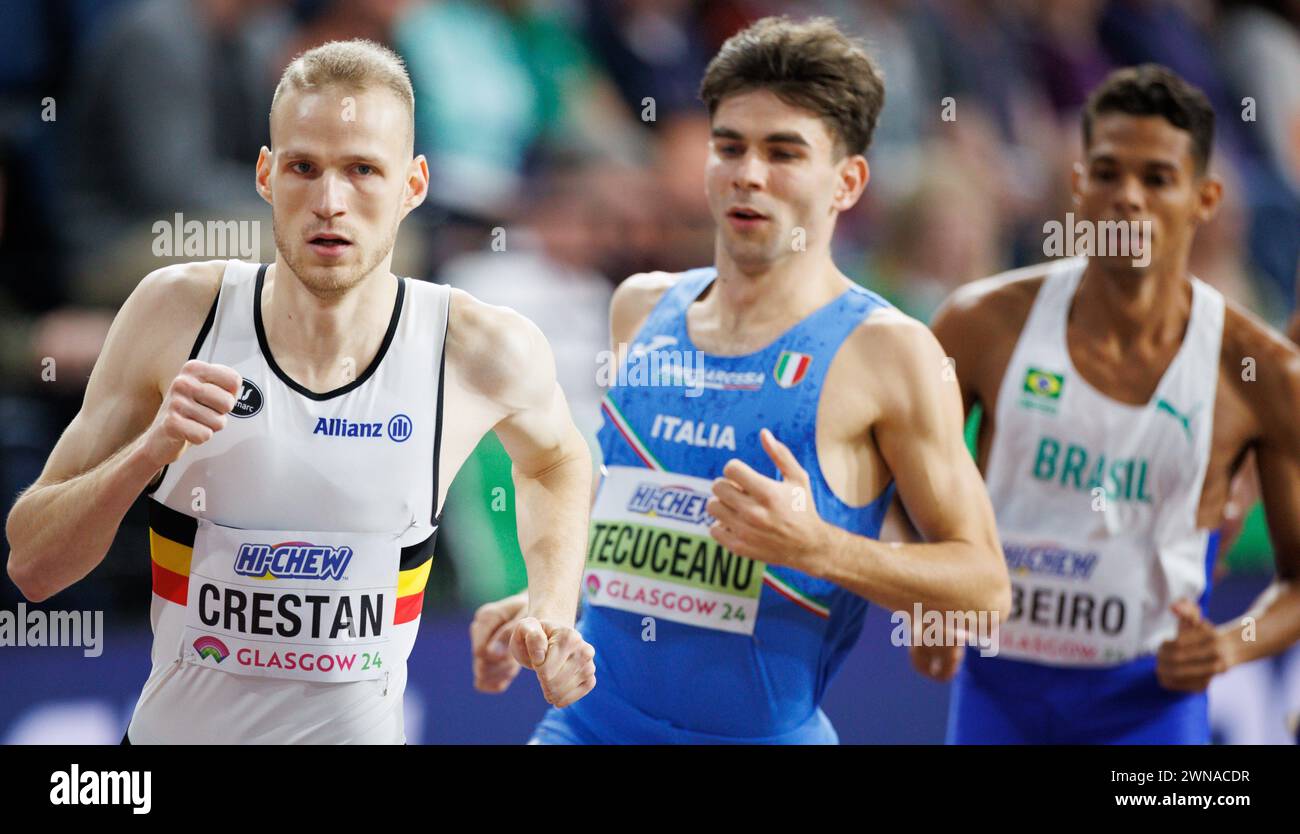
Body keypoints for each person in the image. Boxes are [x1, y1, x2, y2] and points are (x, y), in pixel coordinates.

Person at [4, 40, 596, 744]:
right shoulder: (177, 312)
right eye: (304, 167)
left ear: (414, 185)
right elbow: (33, 568)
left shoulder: (476, 347)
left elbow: (557, 460)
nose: (329, 202)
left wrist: (552, 607)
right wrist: (146, 453)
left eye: (362, 171)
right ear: (265, 174)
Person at [469, 16, 1010, 745]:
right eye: (730, 147)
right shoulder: (641, 305)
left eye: (783, 152)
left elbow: (984, 587)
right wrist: (552, 597)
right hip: (588, 727)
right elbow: (641, 507)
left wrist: (818, 548)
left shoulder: (888, 352)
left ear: (846, 182)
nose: (748, 174)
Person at [917, 64, 1300, 744]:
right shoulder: (980, 324)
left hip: (1149, 707)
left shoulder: (1257, 371)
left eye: (1156, 178)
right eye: (1106, 172)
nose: (1127, 197)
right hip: (997, 695)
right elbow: (892, 481)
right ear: (1077, 184)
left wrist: (1232, 643)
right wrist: (927, 596)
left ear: (1205, 198)